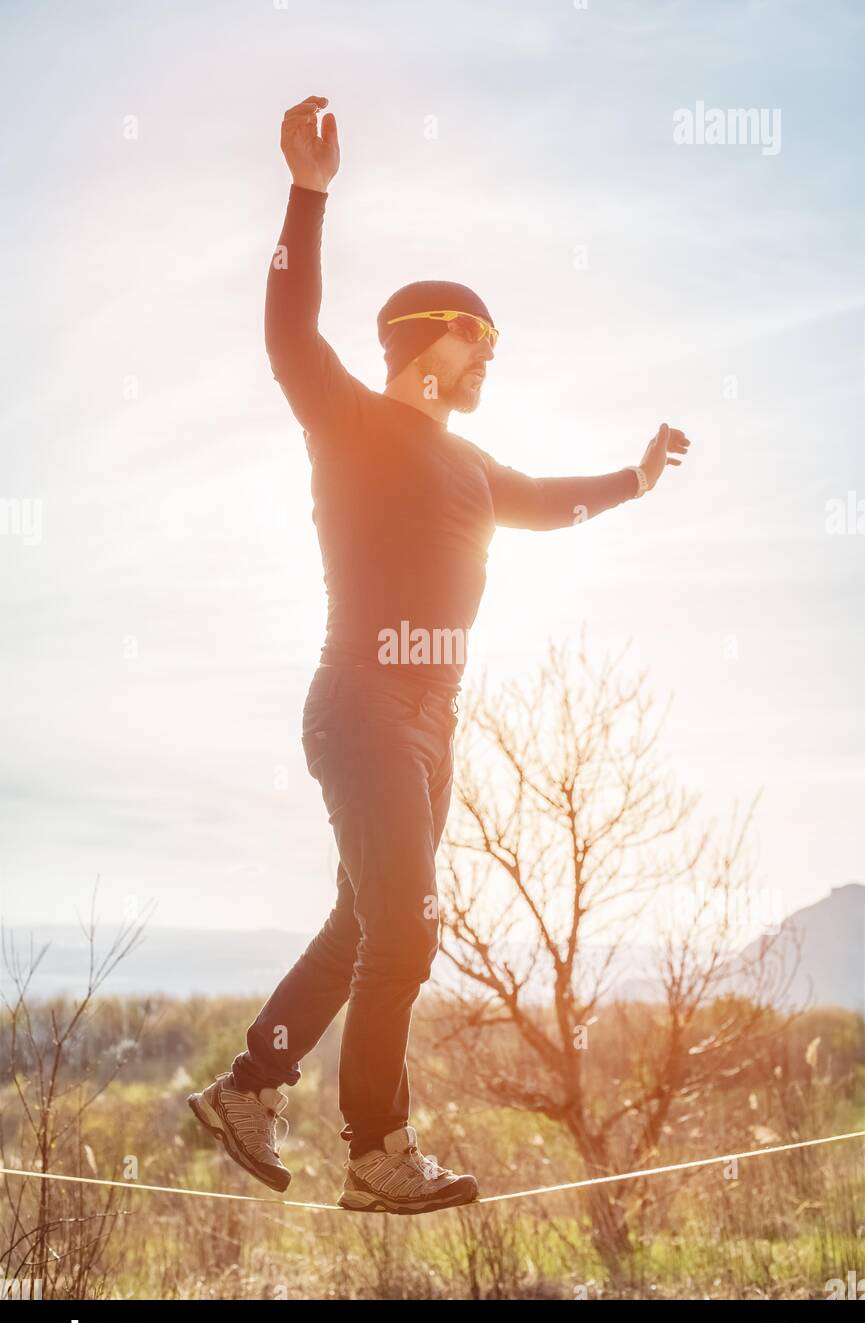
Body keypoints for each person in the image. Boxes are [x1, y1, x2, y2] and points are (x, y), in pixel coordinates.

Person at [188, 95, 690, 1215]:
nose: (492, 361)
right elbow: (284, 335)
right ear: (432, 338)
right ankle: (375, 1150)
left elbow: (553, 503)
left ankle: (249, 1087)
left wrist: (634, 480)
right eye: (482, 340)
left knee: (364, 923)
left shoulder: (472, 468)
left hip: (430, 721)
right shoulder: (352, 423)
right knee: (406, 928)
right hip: (361, 704)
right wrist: (307, 196)